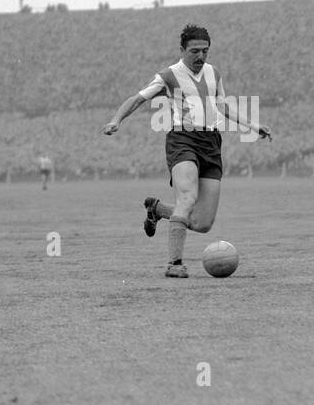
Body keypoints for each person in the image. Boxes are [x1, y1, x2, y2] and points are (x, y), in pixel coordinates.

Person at [102, 24, 271, 277]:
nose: (200, 56)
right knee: (187, 199)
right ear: (182, 50)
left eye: (205, 51)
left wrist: (253, 125)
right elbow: (137, 98)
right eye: (194, 51)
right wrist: (117, 119)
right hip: (183, 141)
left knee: (203, 223)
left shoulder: (214, 73)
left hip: (211, 143)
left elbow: (223, 105)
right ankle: (174, 264)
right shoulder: (168, 75)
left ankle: (158, 210)